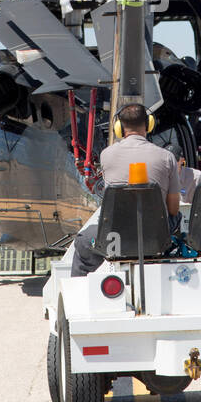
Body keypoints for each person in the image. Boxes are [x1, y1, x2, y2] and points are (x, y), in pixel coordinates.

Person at [68, 103, 181, 276]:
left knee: (83, 242)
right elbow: (173, 209)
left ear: (119, 128)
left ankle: (78, 295)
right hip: (156, 238)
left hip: (116, 239)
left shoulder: (106, 155)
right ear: (149, 124)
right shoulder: (167, 157)